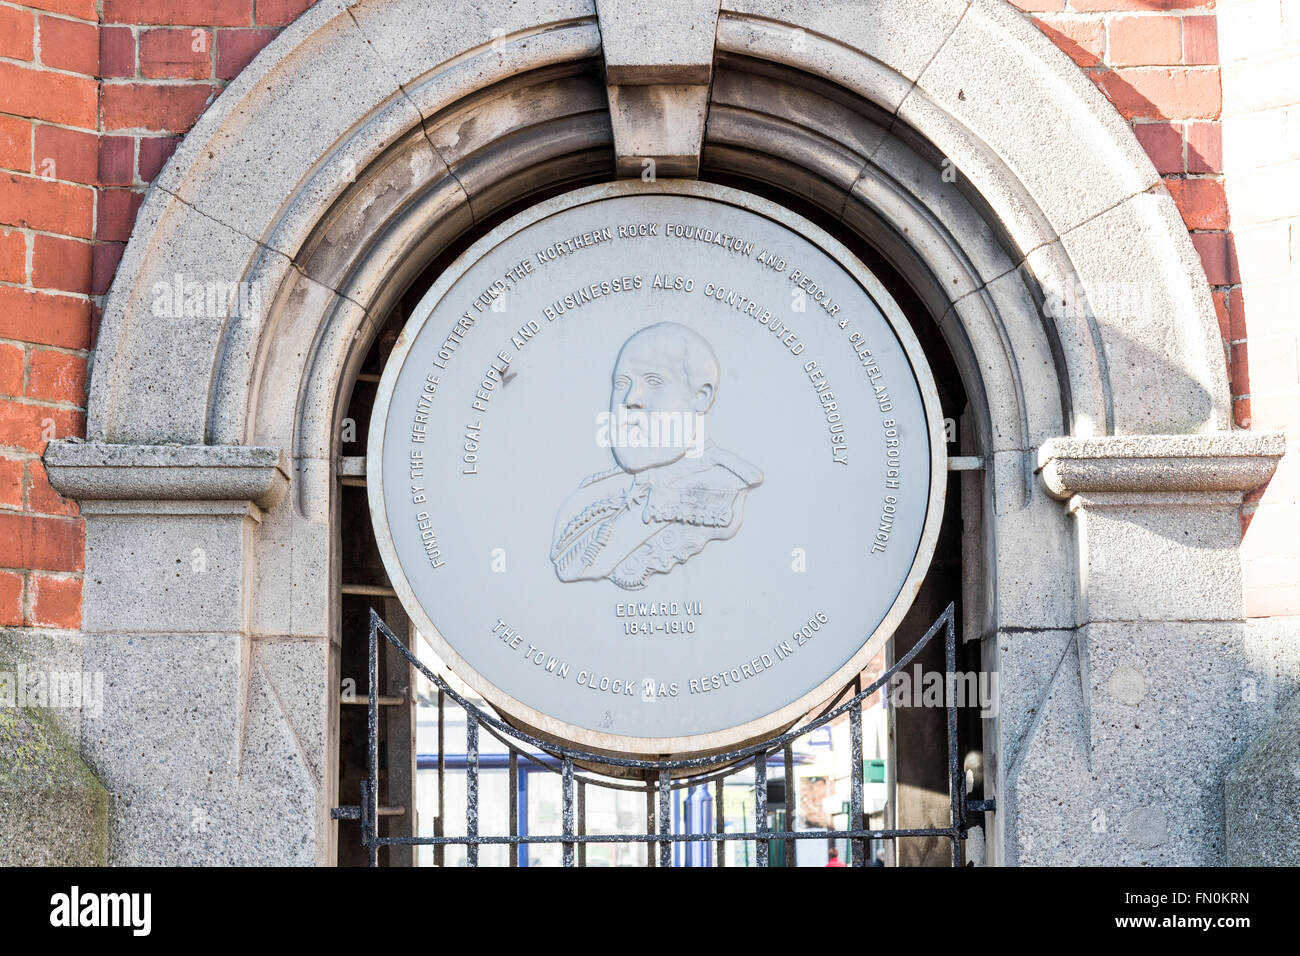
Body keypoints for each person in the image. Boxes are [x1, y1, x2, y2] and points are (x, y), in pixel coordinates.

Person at [551, 322, 763, 590]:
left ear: (702, 397)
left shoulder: (723, 485)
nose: (630, 398)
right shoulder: (587, 498)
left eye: (653, 381)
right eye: (621, 383)